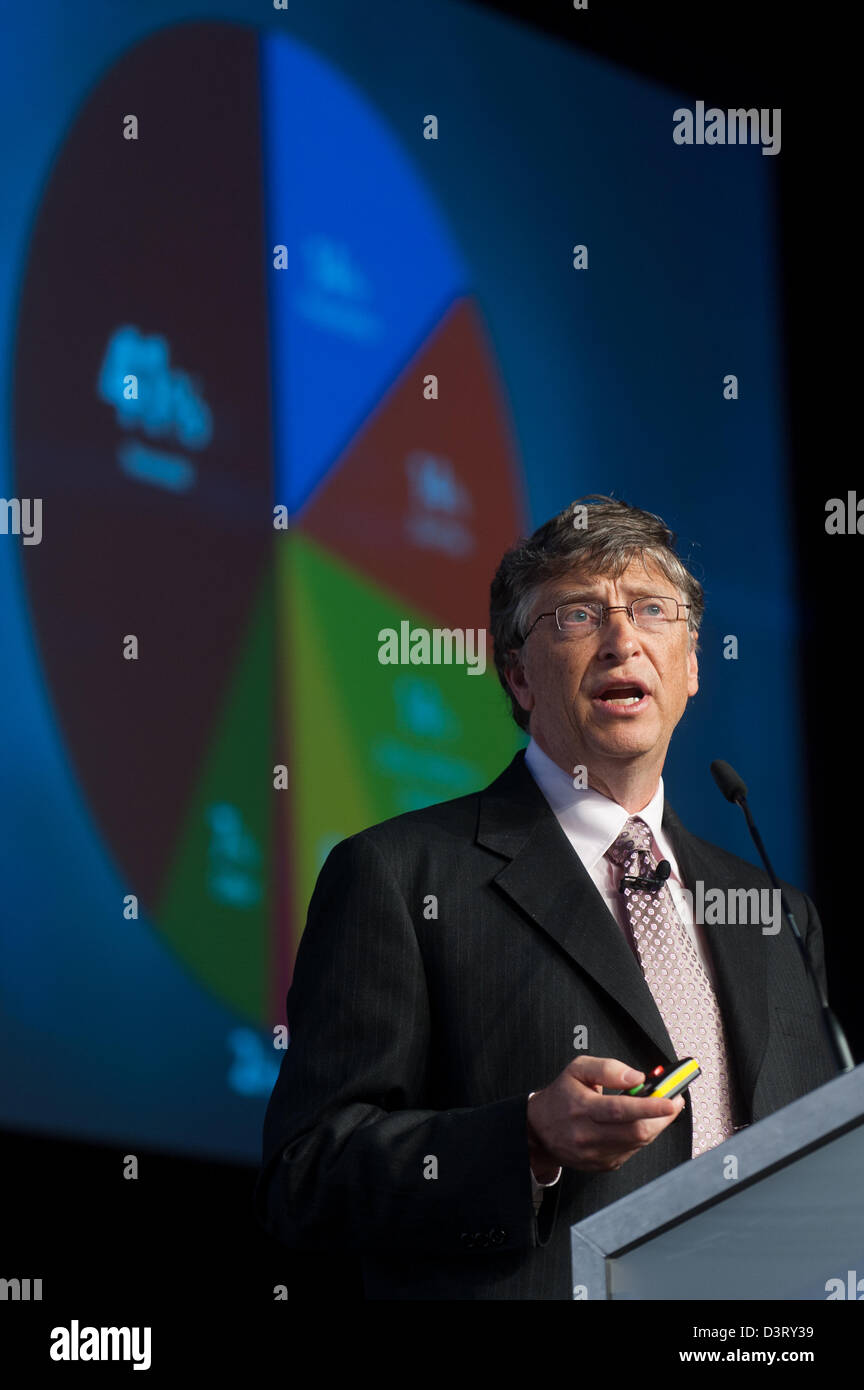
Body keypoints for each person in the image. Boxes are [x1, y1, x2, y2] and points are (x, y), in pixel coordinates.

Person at [254, 495, 838, 1300]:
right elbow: (307, 1179)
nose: (623, 640)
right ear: (519, 674)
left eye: (651, 610)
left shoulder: (777, 912)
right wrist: (524, 1138)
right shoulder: (401, 875)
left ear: (693, 663)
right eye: (576, 616)